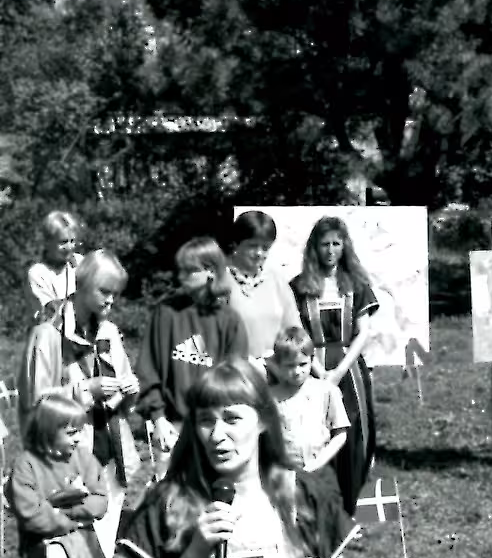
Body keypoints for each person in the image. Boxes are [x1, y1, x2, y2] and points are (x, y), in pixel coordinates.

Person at [116, 359, 355, 558]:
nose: (217, 435)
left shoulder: (300, 493)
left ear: (263, 422)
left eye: (232, 419)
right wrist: (195, 552)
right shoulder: (169, 501)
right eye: (205, 420)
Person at [19, 249, 140, 558]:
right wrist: (85, 390)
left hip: (110, 448)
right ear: (82, 284)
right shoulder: (48, 332)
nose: (111, 300)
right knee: (66, 542)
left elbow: (123, 384)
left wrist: (129, 391)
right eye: (104, 291)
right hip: (66, 452)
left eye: (115, 294)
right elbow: (37, 401)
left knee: (107, 524)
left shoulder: (109, 331)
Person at [6, 396, 120, 558]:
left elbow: (100, 501)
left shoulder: (84, 459)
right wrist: (68, 518)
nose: (79, 438)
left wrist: (63, 509)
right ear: (47, 433)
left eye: (80, 431)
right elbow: (30, 513)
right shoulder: (27, 464)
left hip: (82, 540)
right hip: (46, 545)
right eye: (71, 433)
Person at [137, 237, 249, 478]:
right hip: (171, 426)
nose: (181, 277)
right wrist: (157, 419)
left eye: (189, 271)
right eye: (181, 270)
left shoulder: (229, 320)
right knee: (173, 505)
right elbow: (148, 370)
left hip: (214, 428)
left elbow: (235, 380)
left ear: (210, 271)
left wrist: (222, 425)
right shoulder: (166, 312)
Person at [289, 217, 379, 516]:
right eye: (324, 244)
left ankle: (349, 508)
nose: (330, 250)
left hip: (349, 370)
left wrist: (338, 372)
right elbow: (297, 331)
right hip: (308, 368)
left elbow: (363, 332)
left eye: (336, 244)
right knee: (313, 433)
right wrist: (317, 370)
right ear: (315, 247)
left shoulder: (356, 284)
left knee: (353, 435)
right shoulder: (299, 287)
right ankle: (315, 507)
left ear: (345, 246)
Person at [267, 326, 349, 498]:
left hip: (320, 473)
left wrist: (318, 462)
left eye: (302, 364)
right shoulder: (270, 397)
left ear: (312, 360)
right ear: (278, 364)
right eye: (290, 366)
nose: (297, 371)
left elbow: (340, 433)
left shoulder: (326, 391)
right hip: (283, 477)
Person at [226, 211, 304, 365]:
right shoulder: (220, 281)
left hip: (276, 374)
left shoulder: (277, 281)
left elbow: (294, 331)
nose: (259, 253)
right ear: (235, 244)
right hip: (234, 375)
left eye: (265, 247)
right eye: (252, 246)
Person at [26, 210, 85, 325]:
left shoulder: (79, 262)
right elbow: (52, 313)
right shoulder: (38, 273)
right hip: (52, 336)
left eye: (72, 241)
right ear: (47, 242)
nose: (69, 247)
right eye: (63, 242)